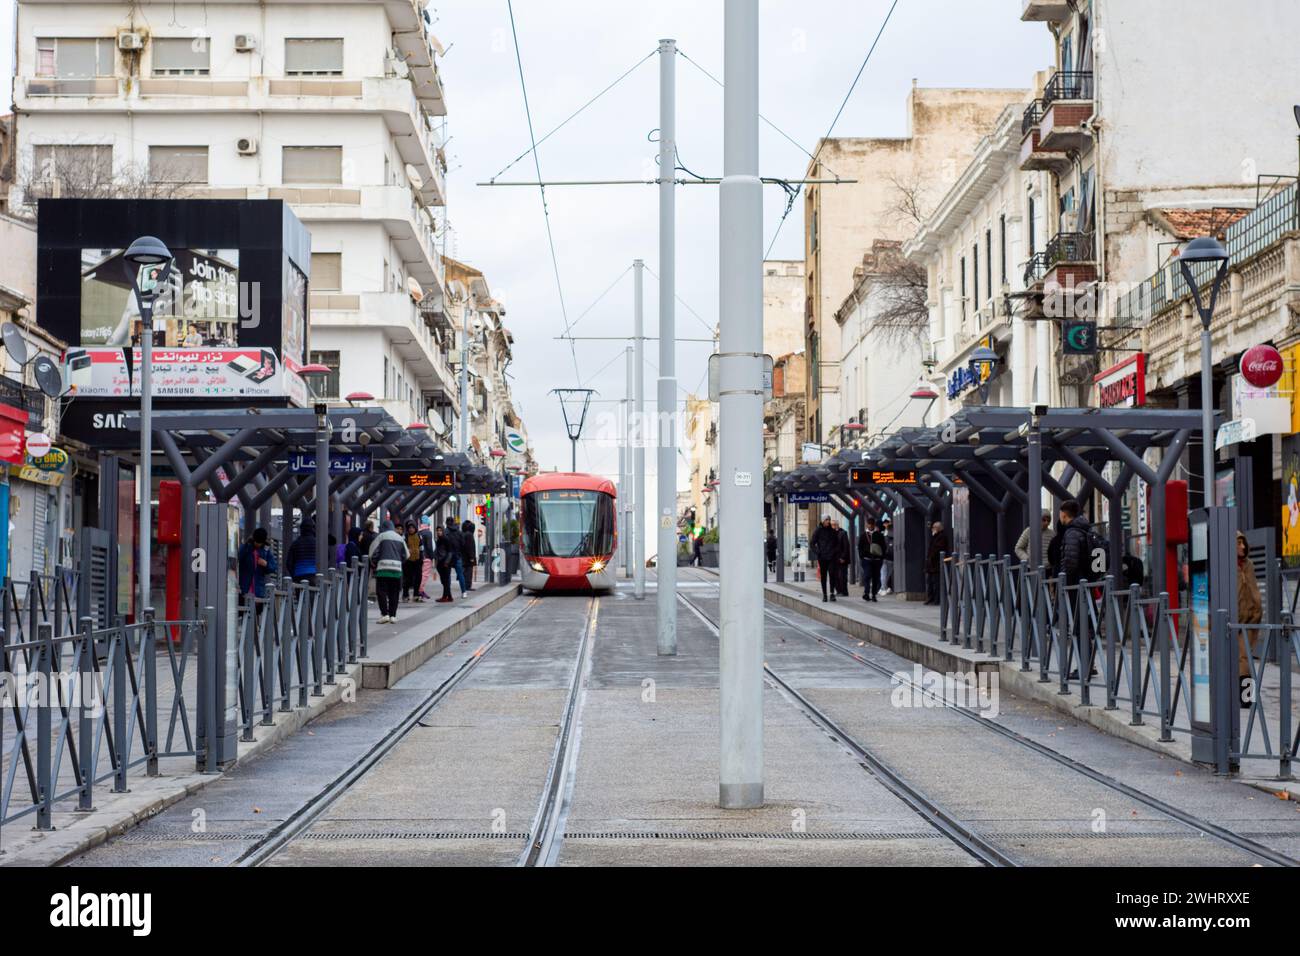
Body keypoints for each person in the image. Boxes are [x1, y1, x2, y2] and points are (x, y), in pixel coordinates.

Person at [1236, 530, 1263, 709]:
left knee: (1246, 660)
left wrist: (1256, 615)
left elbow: (1254, 593)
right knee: (1234, 660)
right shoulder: (1225, 565)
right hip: (1231, 620)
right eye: (1239, 543)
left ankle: (1246, 699)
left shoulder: (1249, 565)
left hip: (1248, 621)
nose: (1243, 547)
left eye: (1243, 543)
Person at [368, 519, 406, 624]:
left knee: (382, 592)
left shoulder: (381, 537)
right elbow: (406, 554)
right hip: (397, 570)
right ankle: (393, 615)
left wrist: (375, 562)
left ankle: (385, 614)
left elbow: (373, 552)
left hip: (383, 569)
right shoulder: (400, 538)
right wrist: (398, 560)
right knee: (394, 592)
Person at [237, 527, 278, 611]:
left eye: (260, 543)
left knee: (256, 613)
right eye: (256, 542)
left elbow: (273, 567)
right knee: (244, 613)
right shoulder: (246, 548)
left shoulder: (265, 551)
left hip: (258, 589)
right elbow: (237, 558)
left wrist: (266, 564)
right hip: (245, 588)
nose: (257, 544)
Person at [810, 516, 840, 603]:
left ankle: (832, 593)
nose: (828, 521)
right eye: (827, 520)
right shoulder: (818, 531)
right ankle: (824, 595)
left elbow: (837, 544)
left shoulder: (833, 531)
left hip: (831, 557)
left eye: (829, 520)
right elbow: (812, 543)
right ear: (823, 521)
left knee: (832, 574)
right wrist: (818, 552)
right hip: (822, 557)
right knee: (823, 576)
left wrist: (835, 552)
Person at [859, 517, 885, 602]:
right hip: (866, 559)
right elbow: (860, 547)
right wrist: (862, 556)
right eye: (869, 524)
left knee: (875, 577)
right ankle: (866, 593)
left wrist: (881, 557)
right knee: (867, 575)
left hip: (877, 560)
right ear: (867, 524)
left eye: (872, 524)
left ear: (874, 525)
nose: (870, 526)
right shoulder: (863, 535)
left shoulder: (879, 535)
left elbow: (883, 547)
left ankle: (873, 594)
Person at [287, 517, 318, 583]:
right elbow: (327, 557)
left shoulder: (295, 543)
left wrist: (294, 575)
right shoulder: (317, 543)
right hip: (314, 576)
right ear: (313, 529)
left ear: (301, 529)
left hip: (299, 576)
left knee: (300, 592)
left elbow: (289, 563)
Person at [925, 521, 948, 606]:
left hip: (936, 563)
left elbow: (937, 548)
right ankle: (930, 598)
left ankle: (936, 599)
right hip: (931, 564)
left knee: (936, 583)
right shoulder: (935, 536)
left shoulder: (941, 537)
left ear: (938, 528)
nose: (932, 529)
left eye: (934, 527)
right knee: (930, 582)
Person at [444, 517, 468, 596]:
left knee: (448, 575)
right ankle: (464, 592)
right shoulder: (459, 532)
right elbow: (463, 544)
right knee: (460, 574)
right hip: (458, 555)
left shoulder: (446, 532)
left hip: (448, 556)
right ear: (453, 522)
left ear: (446, 523)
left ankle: (448, 592)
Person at [402, 520, 423, 602]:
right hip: (408, 561)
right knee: (407, 578)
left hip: (417, 560)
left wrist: (421, 558)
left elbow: (421, 548)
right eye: (409, 528)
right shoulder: (405, 536)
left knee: (418, 578)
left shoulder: (419, 536)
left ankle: (416, 594)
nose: (411, 529)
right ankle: (405, 594)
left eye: (412, 527)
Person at [433, 526, 456, 602]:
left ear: (443, 531)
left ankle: (445, 597)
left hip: (445, 563)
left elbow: (450, 552)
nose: (439, 532)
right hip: (440, 562)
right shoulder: (439, 540)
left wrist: (446, 562)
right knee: (444, 581)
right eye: (437, 530)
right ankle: (449, 596)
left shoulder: (445, 539)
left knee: (445, 581)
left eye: (440, 530)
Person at [418, 519, 436, 600]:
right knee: (425, 574)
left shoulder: (418, 532)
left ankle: (419, 590)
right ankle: (420, 590)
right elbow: (429, 546)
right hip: (427, 557)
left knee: (420, 573)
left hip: (419, 556)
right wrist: (432, 557)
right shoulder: (428, 533)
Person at [833, 519, 851, 596]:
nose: (832, 526)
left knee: (842, 576)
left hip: (841, 559)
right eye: (831, 524)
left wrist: (843, 557)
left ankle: (844, 591)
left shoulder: (843, 533)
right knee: (834, 576)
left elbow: (846, 546)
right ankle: (838, 590)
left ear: (837, 525)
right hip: (833, 559)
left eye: (833, 524)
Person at [460, 519, 478, 593]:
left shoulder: (463, 534)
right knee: (468, 572)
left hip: (463, 556)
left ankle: (465, 585)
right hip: (468, 557)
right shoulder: (469, 535)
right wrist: (472, 557)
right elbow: (470, 547)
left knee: (465, 572)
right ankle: (468, 586)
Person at [880, 517, 894, 596]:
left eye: (886, 522)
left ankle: (883, 588)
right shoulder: (891, 532)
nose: (885, 524)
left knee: (885, 573)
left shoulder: (885, 533)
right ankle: (883, 588)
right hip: (889, 556)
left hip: (886, 556)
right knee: (886, 573)